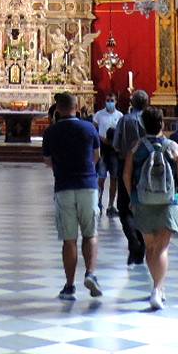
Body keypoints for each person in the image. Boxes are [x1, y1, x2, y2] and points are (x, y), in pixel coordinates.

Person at [41, 92, 103, 299]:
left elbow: (48, 161)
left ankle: (69, 286)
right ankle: (91, 274)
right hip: (88, 185)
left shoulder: (51, 131)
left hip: (64, 186)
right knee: (90, 233)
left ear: (57, 109)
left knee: (69, 240)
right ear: (77, 107)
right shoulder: (89, 128)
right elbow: (96, 156)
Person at [126, 106, 178, 311]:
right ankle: (158, 289)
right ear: (161, 124)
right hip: (168, 202)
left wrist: (131, 197)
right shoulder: (173, 147)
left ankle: (156, 287)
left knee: (150, 247)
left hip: (142, 201)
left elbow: (126, 175)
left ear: (143, 125)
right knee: (162, 248)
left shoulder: (136, 147)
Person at [111, 89, 150, 265]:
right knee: (142, 205)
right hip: (146, 167)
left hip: (125, 165)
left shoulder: (124, 120)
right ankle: (140, 244)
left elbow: (116, 145)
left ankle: (134, 242)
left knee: (124, 207)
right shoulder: (150, 119)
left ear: (132, 103)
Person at [92, 93, 121, 214]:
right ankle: (98, 201)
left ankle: (111, 205)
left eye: (112, 100)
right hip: (102, 149)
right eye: (108, 100)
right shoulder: (99, 115)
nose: (109, 102)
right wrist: (102, 139)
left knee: (114, 178)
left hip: (114, 150)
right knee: (101, 177)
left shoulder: (120, 115)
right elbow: (93, 131)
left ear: (116, 101)